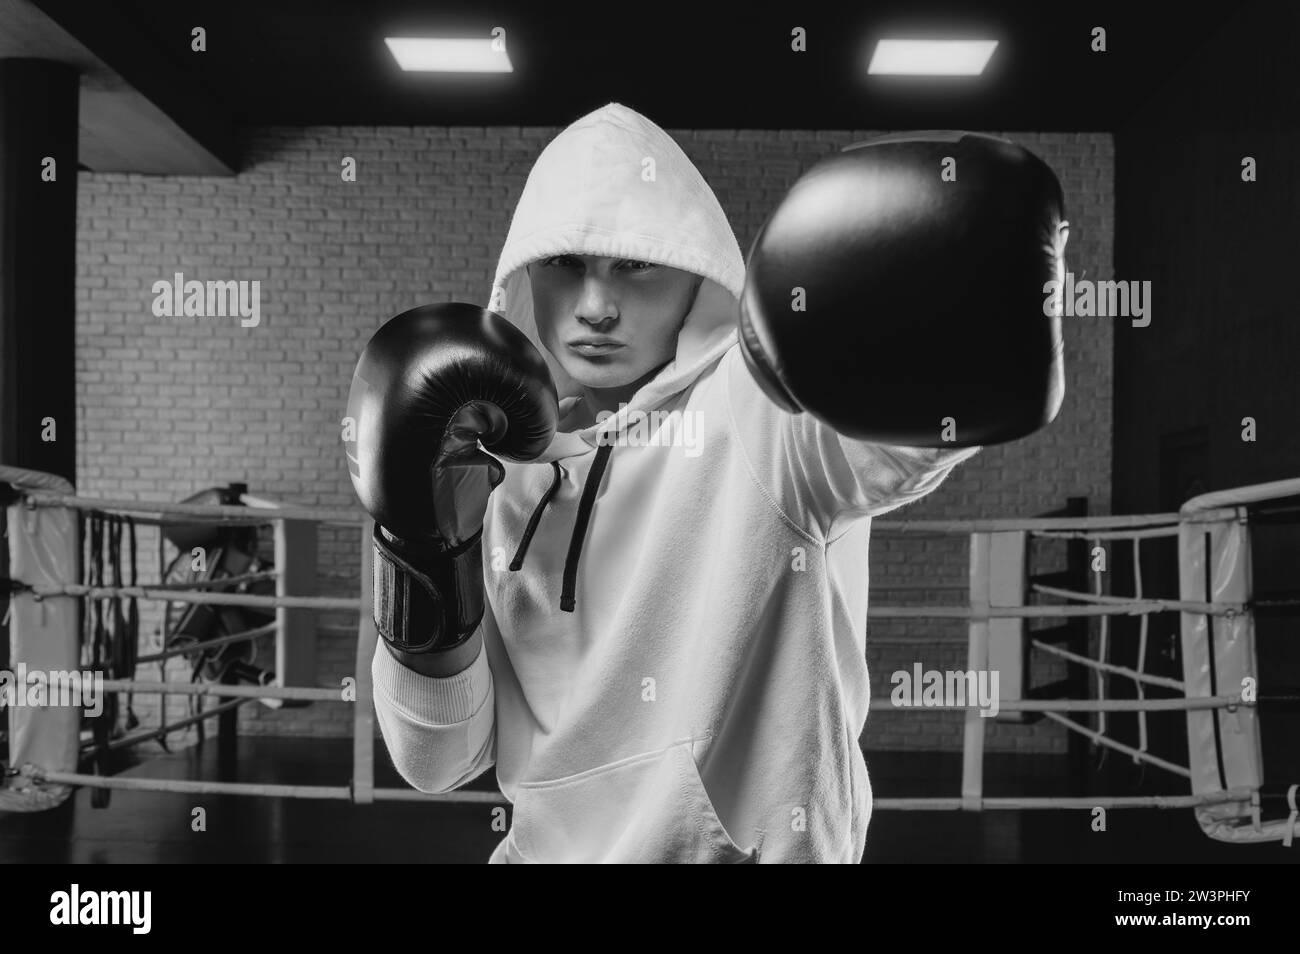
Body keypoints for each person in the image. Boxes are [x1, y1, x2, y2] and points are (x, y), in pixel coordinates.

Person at [346, 103, 1067, 862]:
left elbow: (895, 447)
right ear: (525, 275)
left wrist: (968, 316)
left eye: (635, 263)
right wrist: (425, 550)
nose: (596, 307)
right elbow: (437, 762)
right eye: (566, 266)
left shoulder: (758, 414)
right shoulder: (491, 468)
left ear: (694, 277)